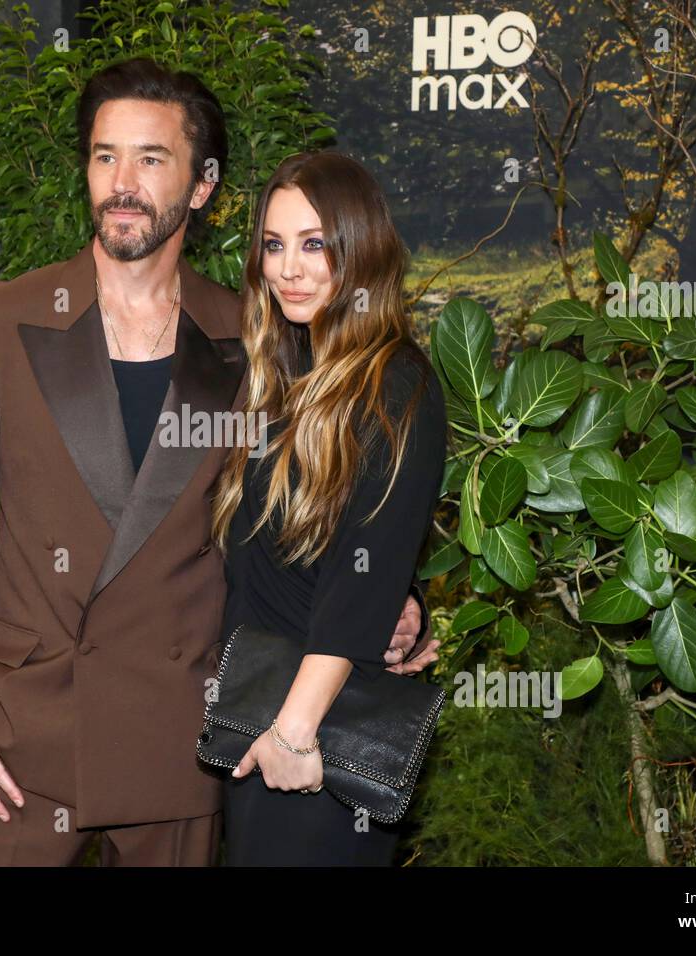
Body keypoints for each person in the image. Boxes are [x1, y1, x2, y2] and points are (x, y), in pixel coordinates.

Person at [0, 57, 440, 867]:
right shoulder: (5, 316)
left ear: (201, 187)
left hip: (181, 738)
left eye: (151, 159)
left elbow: (327, 494)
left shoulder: (253, 337)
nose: (122, 181)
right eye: (104, 155)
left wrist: (398, 608)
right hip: (18, 735)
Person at [207, 151, 448, 866]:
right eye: (274, 246)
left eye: (315, 245)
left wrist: (294, 733)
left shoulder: (396, 383)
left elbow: (361, 575)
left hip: (315, 745)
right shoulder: (280, 379)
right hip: (257, 721)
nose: (289, 268)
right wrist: (410, 608)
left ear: (361, 251)